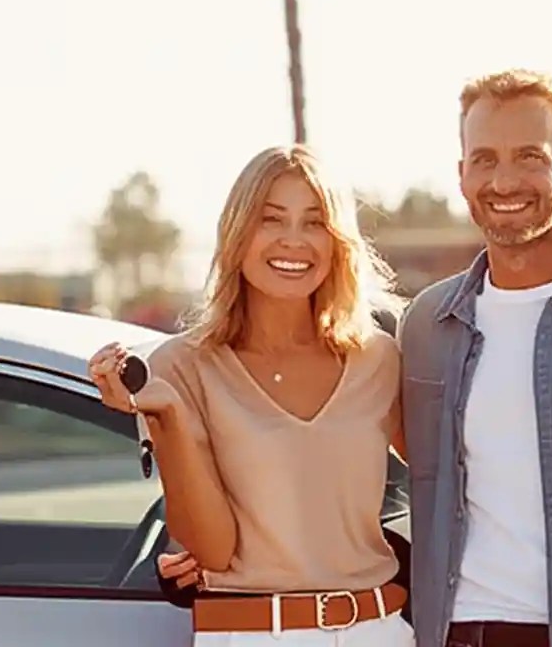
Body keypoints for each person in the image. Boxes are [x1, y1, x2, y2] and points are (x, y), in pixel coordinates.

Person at [158, 69, 552, 647]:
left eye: (530, 157)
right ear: (462, 177)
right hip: (448, 635)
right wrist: (197, 547)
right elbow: (326, 459)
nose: (504, 179)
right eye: (484, 159)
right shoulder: (429, 327)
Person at [88, 145, 416, 645]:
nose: (294, 240)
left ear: (337, 243)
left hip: (378, 631)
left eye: (314, 222)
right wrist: (170, 415)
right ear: (238, 233)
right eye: (271, 219)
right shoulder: (178, 369)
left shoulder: (380, 360)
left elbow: (449, 494)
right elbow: (212, 552)